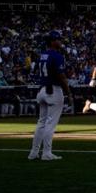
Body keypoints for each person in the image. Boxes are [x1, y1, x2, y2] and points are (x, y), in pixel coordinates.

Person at [28, 30, 70, 161]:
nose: (60, 42)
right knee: (50, 124)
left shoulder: (42, 55)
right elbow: (61, 76)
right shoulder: (57, 55)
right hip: (54, 90)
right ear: (52, 41)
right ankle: (46, 153)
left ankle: (33, 153)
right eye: (58, 39)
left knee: (41, 123)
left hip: (42, 90)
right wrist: (68, 92)